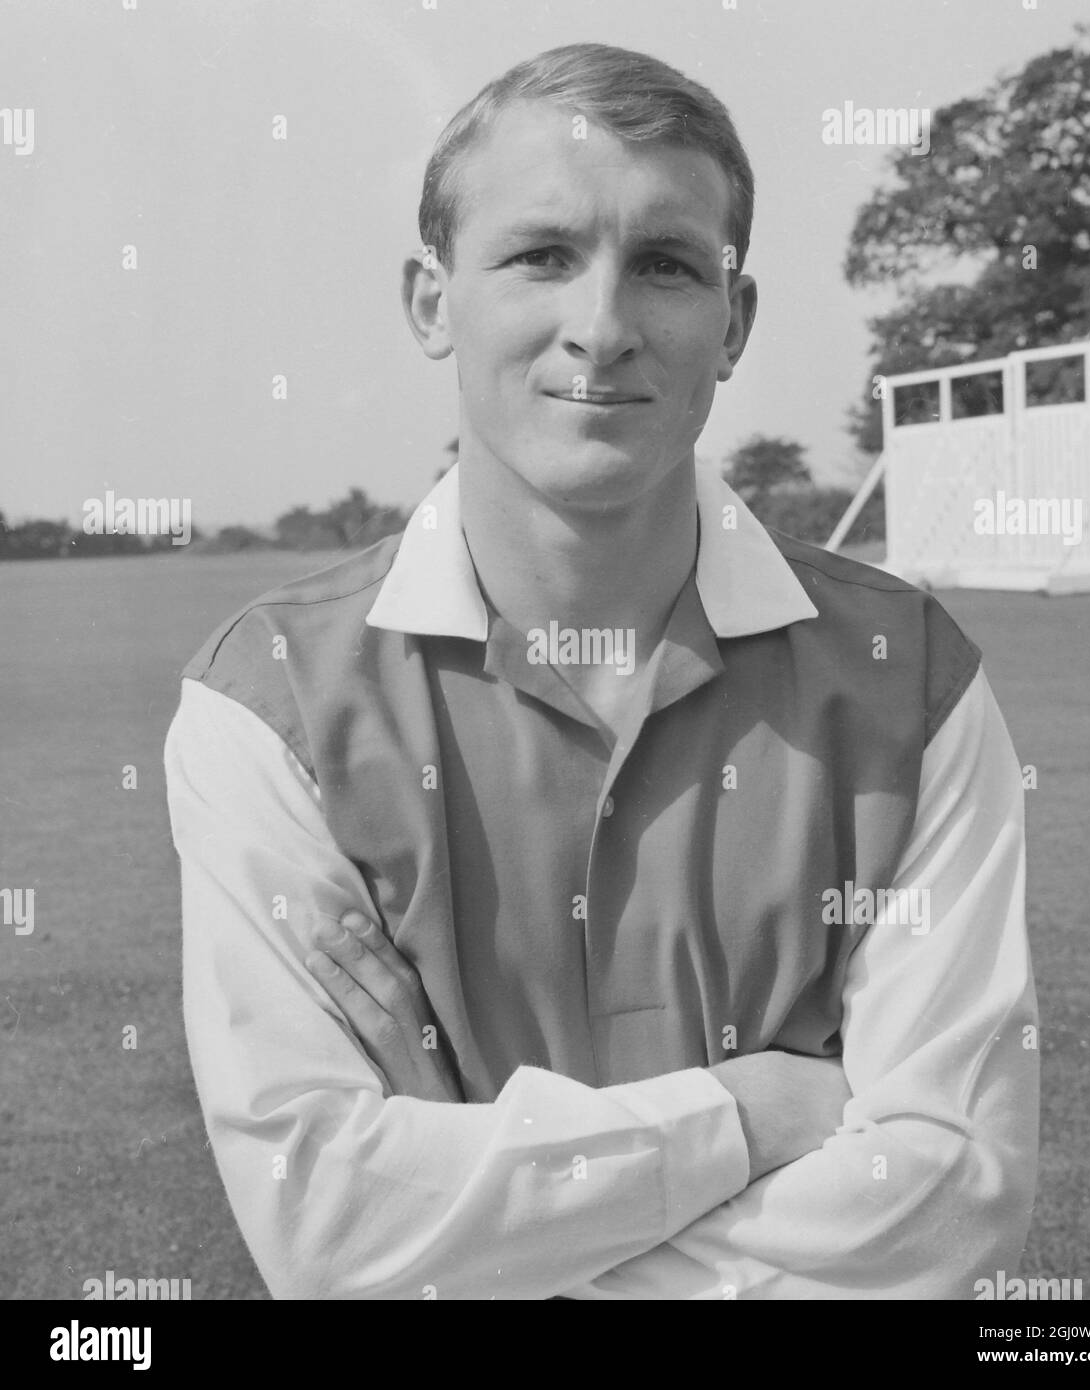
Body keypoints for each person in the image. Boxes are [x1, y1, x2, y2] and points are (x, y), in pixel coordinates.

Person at [164, 41, 1039, 1300]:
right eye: (540, 256)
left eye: (668, 266)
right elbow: (326, 1224)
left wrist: (479, 1200)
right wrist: (752, 1116)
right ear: (430, 302)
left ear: (731, 322)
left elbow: (949, 1213)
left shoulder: (916, 684)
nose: (603, 326)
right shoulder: (267, 703)